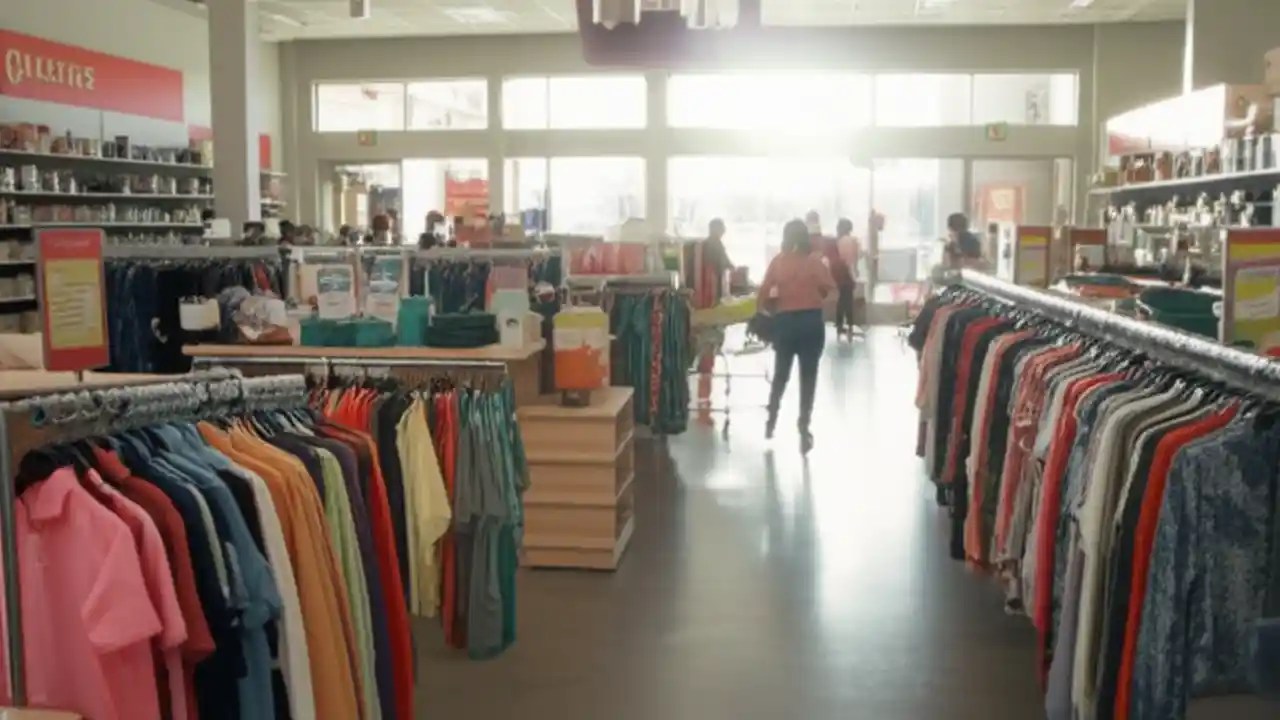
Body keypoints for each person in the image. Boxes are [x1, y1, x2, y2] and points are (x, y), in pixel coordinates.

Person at [758, 219, 835, 453]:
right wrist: (817, 298)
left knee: (781, 374)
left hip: (785, 323)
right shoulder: (815, 263)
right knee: (808, 376)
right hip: (811, 322)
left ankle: (771, 420)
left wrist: (768, 310)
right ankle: (804, 426)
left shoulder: (778, 263)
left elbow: (763, 293)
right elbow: (832, 291)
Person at [825, 218, 858, 339]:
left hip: (837, 273)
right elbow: (852, 260)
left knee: (841, 299)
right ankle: (849, 323)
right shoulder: (852, 241)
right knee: (848, 299)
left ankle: (839, 324)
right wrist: (854, 275)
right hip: (847, 273)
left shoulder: (836, 241)